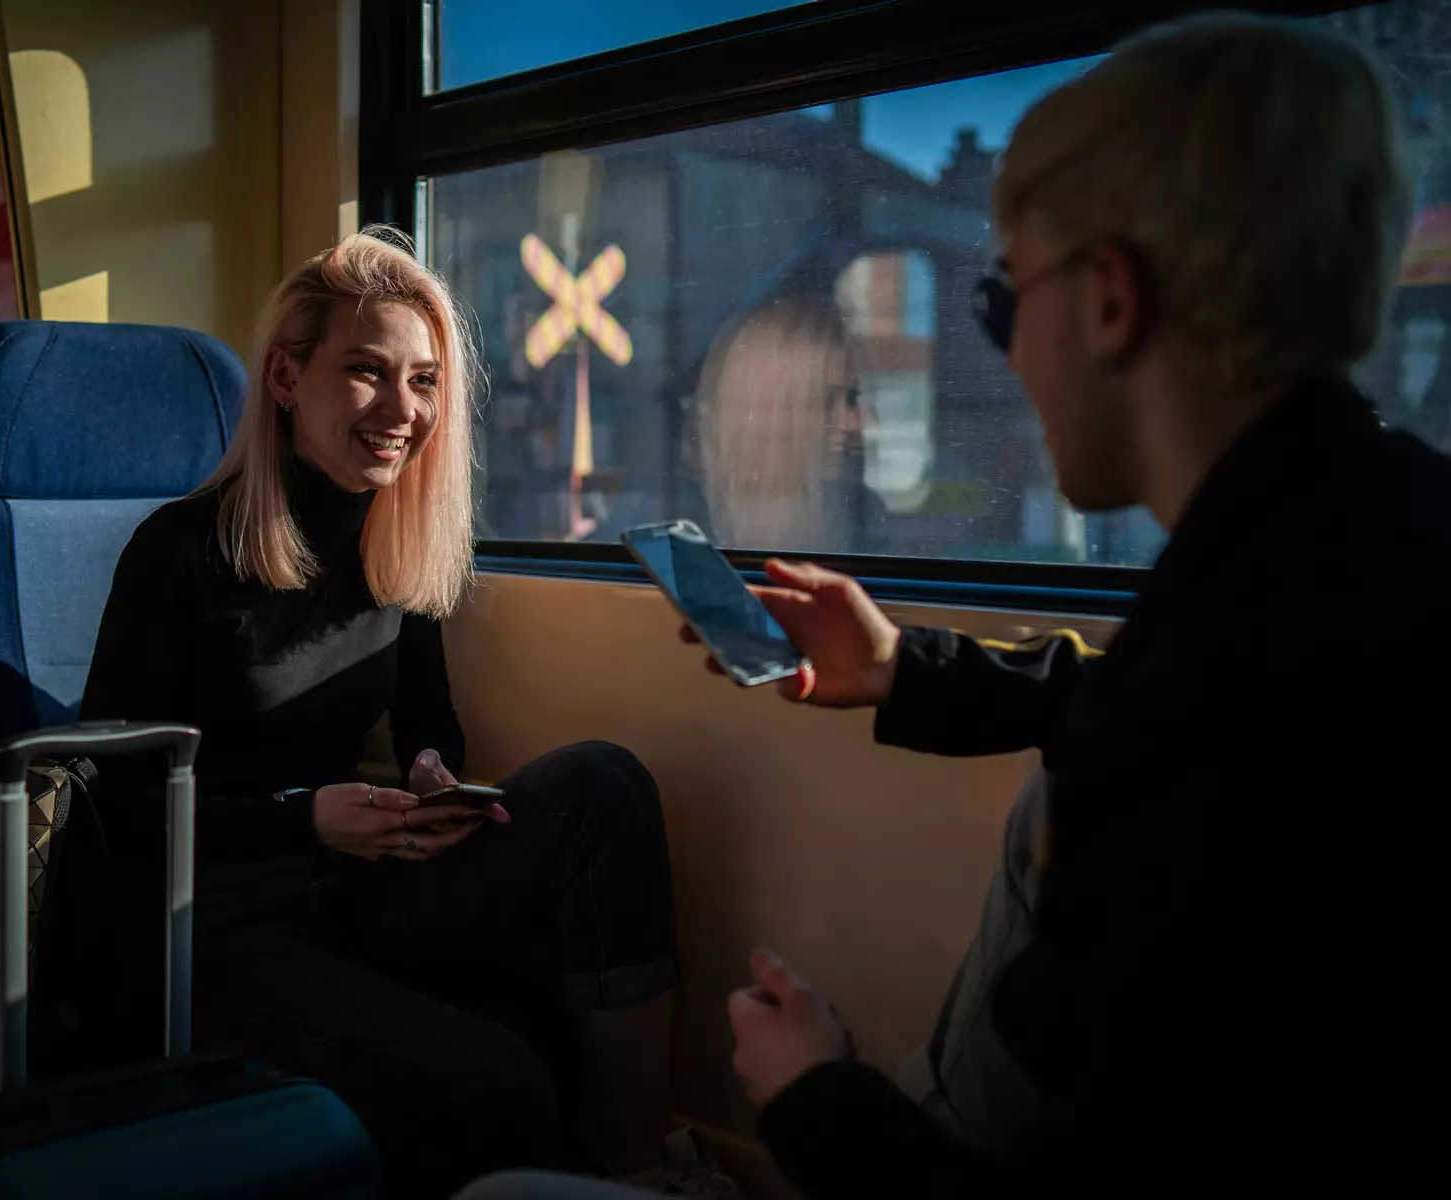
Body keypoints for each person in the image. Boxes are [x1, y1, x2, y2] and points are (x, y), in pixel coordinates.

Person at [456, 12, 1451, 1199]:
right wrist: (908, 669)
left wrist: (814, 1091)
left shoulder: (1188, 741)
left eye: (1002, 304)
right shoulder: (1359, 547)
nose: (1009, 362)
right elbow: (1168, 699)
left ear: (1111, 303)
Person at [79, 230, 736, 1199]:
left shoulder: (396, 540)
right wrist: (305, 815)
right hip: (213, 919)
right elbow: (109, 805)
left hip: (351, 883)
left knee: (603, 784)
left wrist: (432, 776)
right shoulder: (175, 552)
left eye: (424, 381)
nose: (404, 411)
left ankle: (639, 1159)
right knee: (497, 1081)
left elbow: (429, 718)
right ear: (288, 378)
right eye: (368, 373)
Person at [695, 292, 888, 554]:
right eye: (823, 401)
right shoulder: (693, 532)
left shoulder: (865, 517)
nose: (855, 422)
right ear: (770, 412)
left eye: (853, 398)